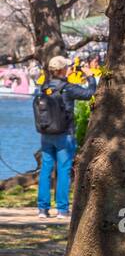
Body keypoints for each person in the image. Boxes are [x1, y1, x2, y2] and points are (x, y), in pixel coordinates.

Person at [32, 54, 97, 219]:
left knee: (45, 170)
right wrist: (89, 75)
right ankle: (62, 209)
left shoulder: (44, 87)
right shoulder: (67, 88)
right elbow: (91, 93)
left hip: (46, 135)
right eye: (66, 67)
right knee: (63, 170)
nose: (69, 69)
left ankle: (42, 209)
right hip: (64, 135)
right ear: (62, 70)